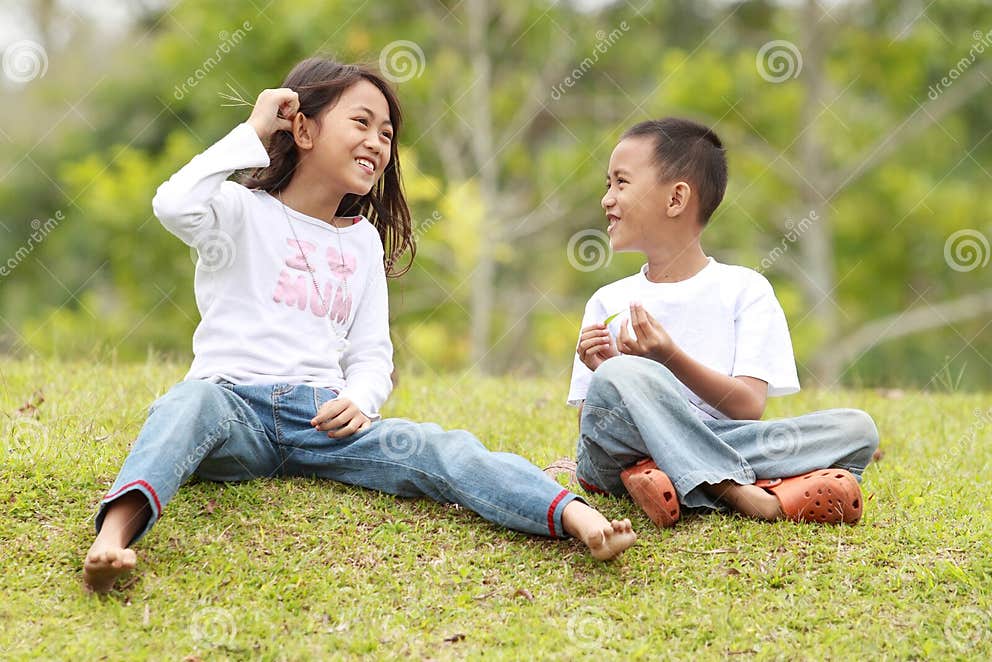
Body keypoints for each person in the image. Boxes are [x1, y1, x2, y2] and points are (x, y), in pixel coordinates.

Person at [82, 57, 635, 593]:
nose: (377, 141)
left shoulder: (362, 241)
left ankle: (573, 516)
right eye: (362, 123)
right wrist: (253, 128)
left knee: (434, 446)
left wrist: (362, 400)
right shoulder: (239, 211)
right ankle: (111, 538)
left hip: (323, 424)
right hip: (232, 408)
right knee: (186, 404)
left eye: (388, 134)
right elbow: (173, 204)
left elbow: (372, 352)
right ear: (302, 128)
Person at [564, 117, 879, 528]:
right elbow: (595, 425)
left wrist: (669, 356)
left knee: (858, 430)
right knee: (620, 374)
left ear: (676, 199)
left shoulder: (745, 290)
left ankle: (666, 473)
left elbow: (748, 406)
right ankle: (736, 491)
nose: (607, 199)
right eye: (608, 185)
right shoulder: (608, 300)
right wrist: (608, 372)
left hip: (724, 439)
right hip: (616, 458)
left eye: (620, 183)